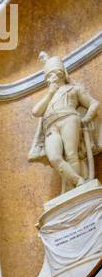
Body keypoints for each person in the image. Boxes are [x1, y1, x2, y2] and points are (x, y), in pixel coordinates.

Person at [29, 52, 102, 195]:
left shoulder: (74, 88)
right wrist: (50, 93)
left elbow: (93, 103)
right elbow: (36, 111)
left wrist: (87, 117)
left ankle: (77, 189)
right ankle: (77, 180)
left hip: (69, 118)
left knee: (71, 154)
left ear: (61, 73)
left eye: (53, 74)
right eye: (48, 76)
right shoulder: (49, 95)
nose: (50, 78)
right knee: (54, 157)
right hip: (50, 126)